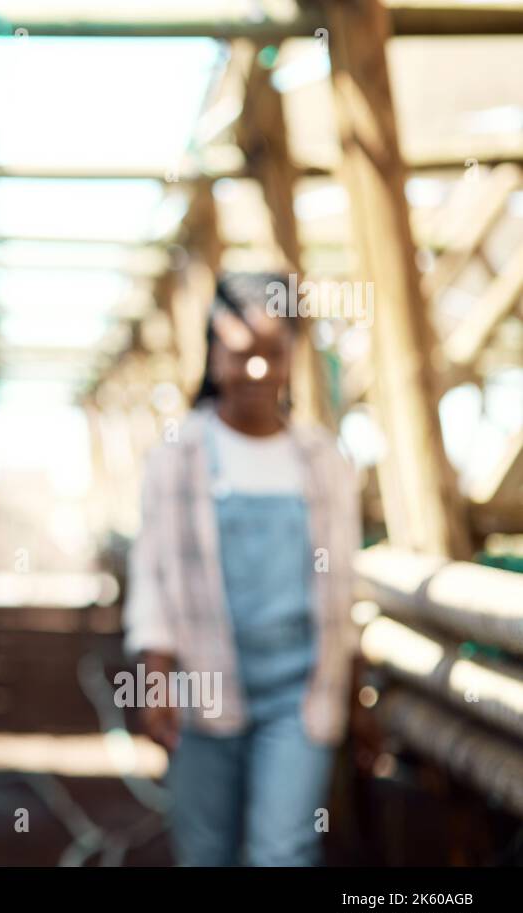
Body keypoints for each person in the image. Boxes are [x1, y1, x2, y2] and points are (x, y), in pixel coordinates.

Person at [123, 271, 370, 866]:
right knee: (205, 850)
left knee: (281, 851)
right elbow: (152, 573)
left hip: (301, 694)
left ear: (292, 358)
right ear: (213, 355)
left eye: (272, 355)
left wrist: (363, 687)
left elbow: (346, 580)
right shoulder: (177, 459)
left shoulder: (324, 462)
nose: (256, 371)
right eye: (240, 355)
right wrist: (153, 673)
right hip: (204, 686)